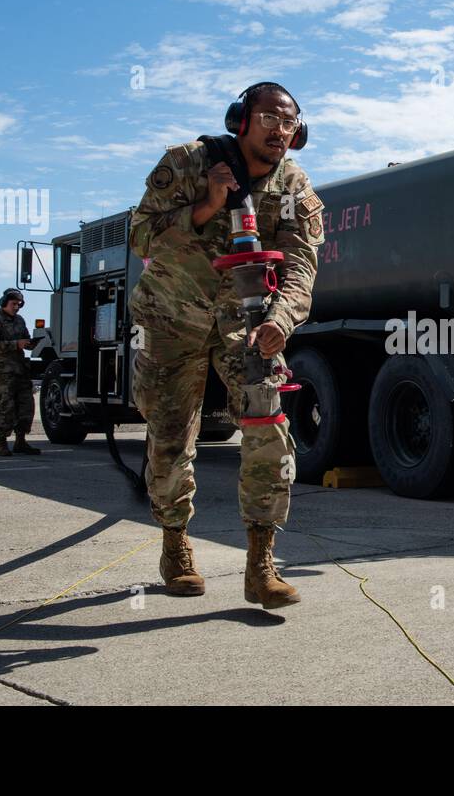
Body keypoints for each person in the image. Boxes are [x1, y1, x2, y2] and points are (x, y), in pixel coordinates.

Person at [130, 82, 323, 608]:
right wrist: (207, 204)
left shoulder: (293, 186)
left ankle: (261, 564)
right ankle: (175, 545)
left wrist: (282, 319)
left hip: (246, 322)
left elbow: (301, 264)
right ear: (241, 120)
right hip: (171, 318)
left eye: (289, 123)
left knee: (268, 426)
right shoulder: (189, 163)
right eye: (268, 119)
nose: (279, 131)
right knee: (170, 437)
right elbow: (140, 236)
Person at [0, 288, 40, 456]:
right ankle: (2, 443)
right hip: (2, 371)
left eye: (19, 304)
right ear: (4, 302)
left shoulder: (19, 320)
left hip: (20, 370)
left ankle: (20, 441)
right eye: (14, 304)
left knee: (26, 406)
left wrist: (30, 344)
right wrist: (16, 344)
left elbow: (25, 338)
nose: (17, 307)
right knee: (6, 407)